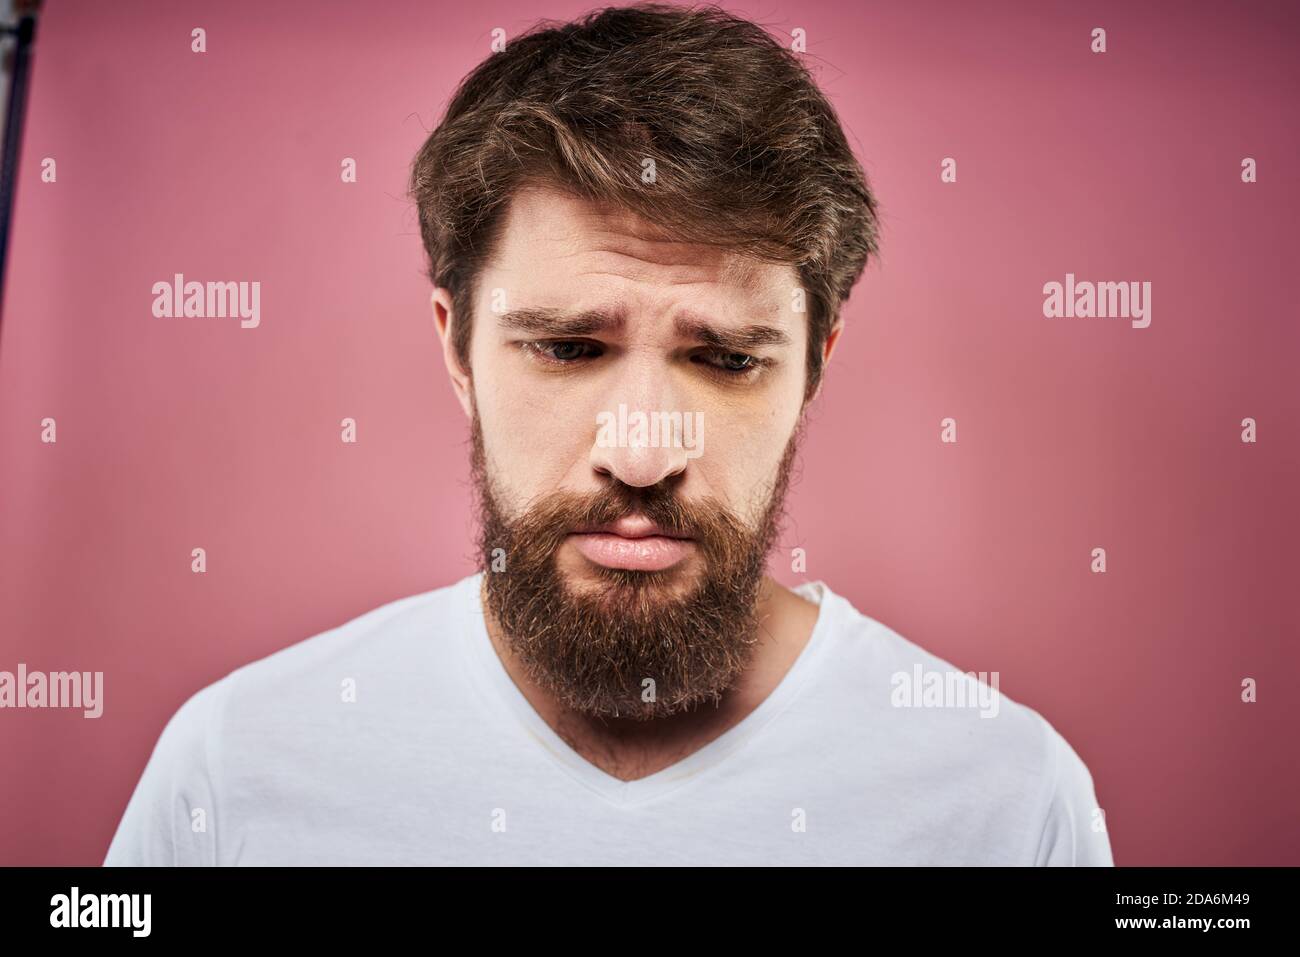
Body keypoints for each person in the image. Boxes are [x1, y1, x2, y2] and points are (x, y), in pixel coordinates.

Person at [105, 3, 1112, 866]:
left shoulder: (1006, 805)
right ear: (458, 352)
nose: (640, 453)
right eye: (567, 349)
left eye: (724, 360)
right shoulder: (237, 768)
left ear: (815, 365)